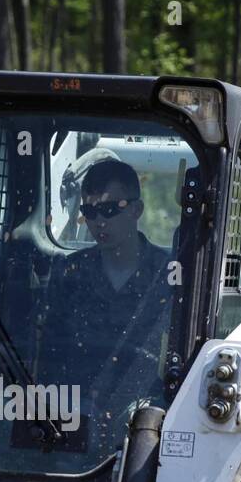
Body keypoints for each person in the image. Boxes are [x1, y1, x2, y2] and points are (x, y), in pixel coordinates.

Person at [35, 158, 175, 454]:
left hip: (145, 424)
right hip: (70, 419)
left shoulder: (168, 276)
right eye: (90, 211)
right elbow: (49, 353)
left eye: (110, 209)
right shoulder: (69, 274)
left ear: (136, 210)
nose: (99, 221)